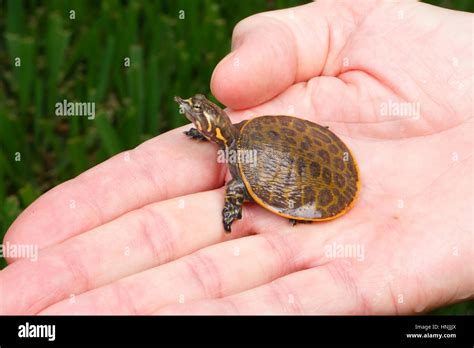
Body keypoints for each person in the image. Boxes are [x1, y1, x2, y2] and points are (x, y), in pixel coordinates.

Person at [1, 0, 472, 314]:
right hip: (309, 148)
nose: (190, 111)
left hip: (311, 176)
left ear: (211, 127)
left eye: (196, 113)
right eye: (194, 113)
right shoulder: (240, 134)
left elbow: (241, 184)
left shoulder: (240, 148)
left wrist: (231, 204)